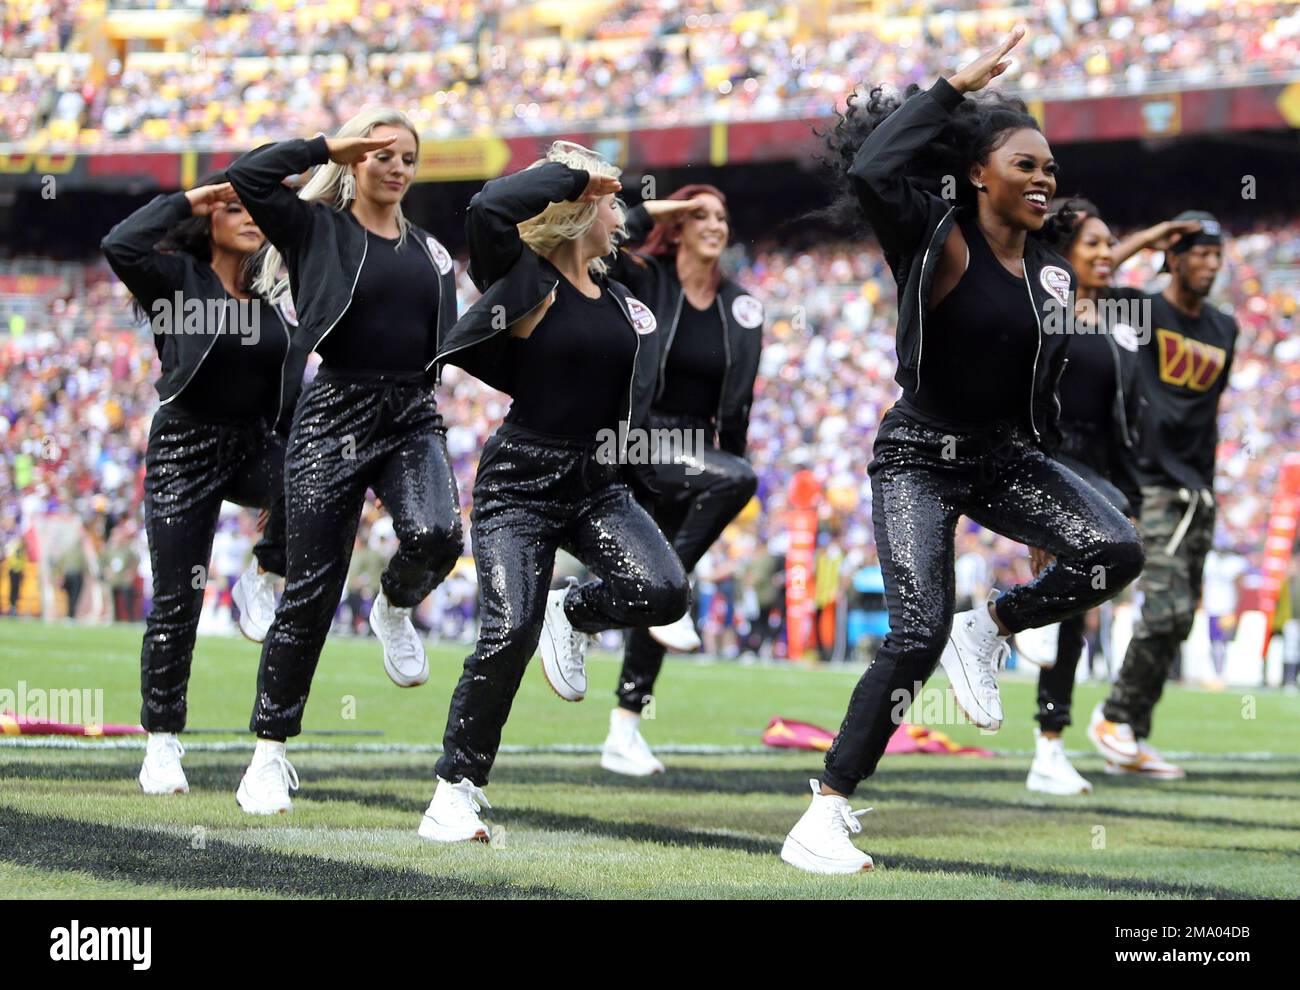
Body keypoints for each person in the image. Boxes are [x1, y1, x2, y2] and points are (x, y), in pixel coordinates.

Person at [779, 27, 1145, 875]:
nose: (1044, 178)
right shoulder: (938, 239)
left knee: (1114, 550)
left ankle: (995, 628)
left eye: (1051, 167)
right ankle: (825, 812)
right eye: (1025, 164)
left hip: (1006, 457)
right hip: (918, 457)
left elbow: (1036, 381)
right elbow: (873, 170)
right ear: (980, 173)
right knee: (915, 632)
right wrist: (949, 87)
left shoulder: (1052, 275)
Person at [420, 141, 689, 843]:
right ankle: (455, 790)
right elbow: (487, 207)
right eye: (609, 197)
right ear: (576, 209)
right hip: (521, 485)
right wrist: (575, 172)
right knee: (509, 632)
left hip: (597, 485)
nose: (620, 207)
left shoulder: (623, 298)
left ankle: (575, 614)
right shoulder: (526, 277)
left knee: (664, 592)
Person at [226, 108, 463, 814]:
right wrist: (325, 145)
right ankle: (268, 755)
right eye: (381, 154)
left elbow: (448, 342)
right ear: (356, 161)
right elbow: (249, 174)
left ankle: (394, 608)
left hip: (410, 413)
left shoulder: (433, 252)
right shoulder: (316, 230)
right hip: (335, 412)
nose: (395, 167)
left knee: (438, 536)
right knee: (313, 590)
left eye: (408, 158)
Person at [101, 171, 301, 796]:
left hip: (250, 444)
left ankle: (261, 577)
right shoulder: (175, 281)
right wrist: (189, 198)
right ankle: (161, 743)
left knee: (325, 475)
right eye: (233, 208)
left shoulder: (274, 296)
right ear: (209, 215)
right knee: (177, 600)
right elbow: (120, 243)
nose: (249, 218)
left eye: (254, 210)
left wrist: (291, 472)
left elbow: (292, 386)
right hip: (184, 447)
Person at [599, 183, 762, 775]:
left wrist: (732, 474)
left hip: (696, 457)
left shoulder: (741, 306)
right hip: (639, 438)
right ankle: (621, 610)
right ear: (679, 226)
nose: (714, 224)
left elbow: (737, 408)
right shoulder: (648, 277)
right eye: (700, 215)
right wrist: (656, 209)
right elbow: (602, 246)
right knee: (669, 588)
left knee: (662, 583)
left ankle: (623, 732)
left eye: (721, 215)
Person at [1088, 210, 1239, 781]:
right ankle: (1113, 718)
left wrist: (1207, 479)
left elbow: (1209, 412)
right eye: (1198, 252)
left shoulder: (1225, 328)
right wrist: (1150, 236)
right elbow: (1089, 281)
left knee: (1180, 620)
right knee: (1165, 610)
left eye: (1216, 254)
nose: (1209, 264)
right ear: (1173, 258)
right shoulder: (1145, 311)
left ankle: (1132, 732)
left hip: (1197, 487)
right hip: (1149, 481)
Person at [1015, 196, 1147, 795]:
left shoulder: (1119, 318)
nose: (1106, 254)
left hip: (1102, 472)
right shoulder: (1049, 306)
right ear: (1065, 251)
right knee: (1076, 595)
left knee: (1079, 613)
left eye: (1110, 244)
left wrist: (1133, 490)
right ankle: (1019, 612)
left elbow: (1120, 418)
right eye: (1093, 243)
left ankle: (1049, 748)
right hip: (1052, 458)